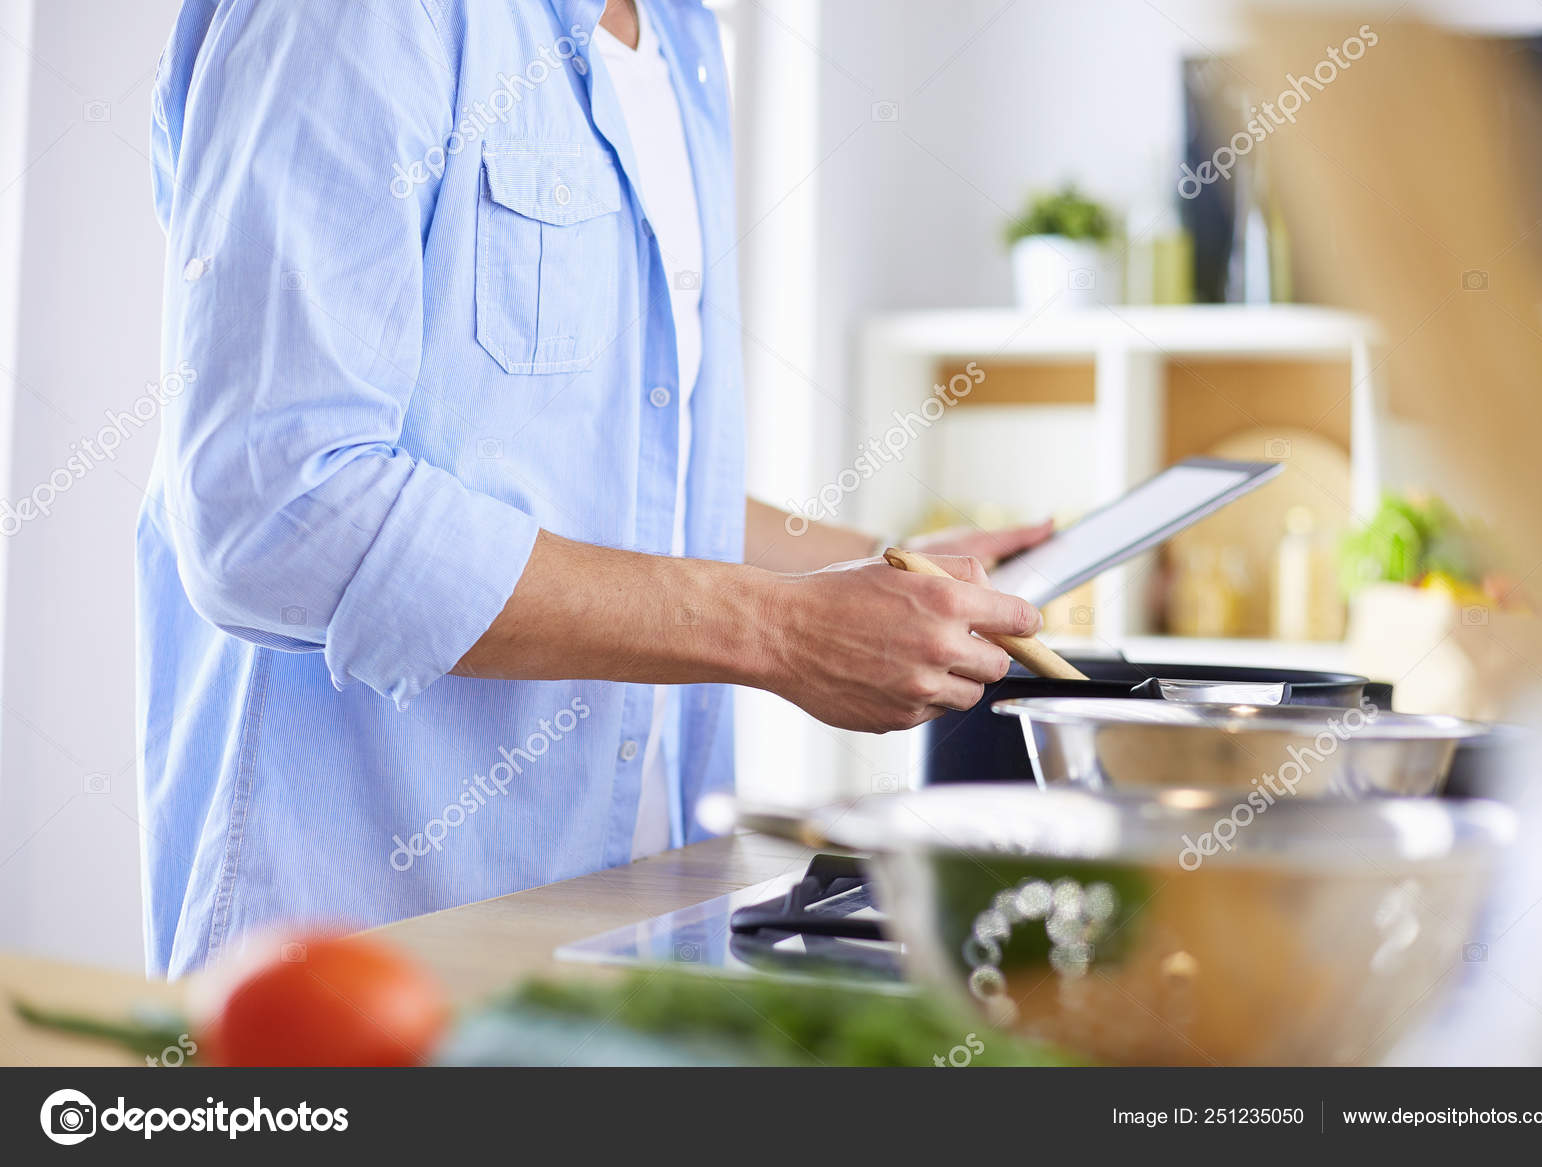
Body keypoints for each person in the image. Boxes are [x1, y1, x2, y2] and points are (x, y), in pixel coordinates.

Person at [139, 0, 1048, 977]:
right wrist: (780, 630)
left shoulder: (684, 42)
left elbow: (627, 489)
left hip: (627, 932)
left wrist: (886, 567)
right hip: (357, 946)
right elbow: (276, 514)